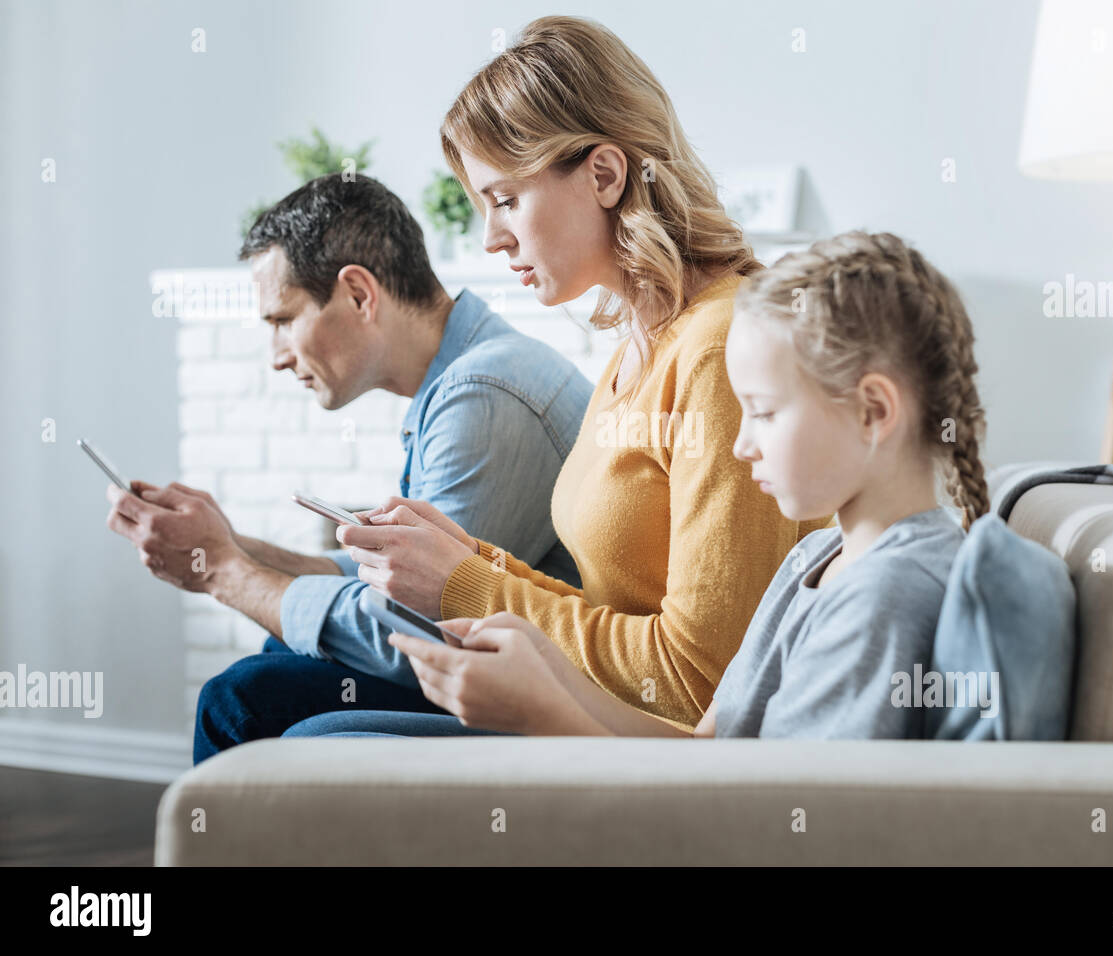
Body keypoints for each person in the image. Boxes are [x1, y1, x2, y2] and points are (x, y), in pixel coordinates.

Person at [286, 15, 835, 738]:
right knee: (275, 701)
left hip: (654, 750)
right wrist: (464, 557)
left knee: (304, 735)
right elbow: (616, 605)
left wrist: (465, 587)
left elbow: (698, 684)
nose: (491, 236)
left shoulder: (719, 347)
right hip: (599, 715)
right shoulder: (638, 346)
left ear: (604, 175)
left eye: (505, 199)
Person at [285, 230, 989, 740]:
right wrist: (544, 669)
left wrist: (545, 715)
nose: (741, 444)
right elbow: (705, 751)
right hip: (685, 804)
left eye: (765, 413)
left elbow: (772, 824)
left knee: (315, 745)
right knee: (318, 742)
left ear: (873, 411)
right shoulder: (816, 560)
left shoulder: (886, 597)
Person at [102, 173, 591, 763]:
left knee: (239, 698)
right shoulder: (462, 377)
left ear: (359, 294)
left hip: (553, 691)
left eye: (282, 320)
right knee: (276, 651)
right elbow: (393, 579)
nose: (278, 357)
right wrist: (230, 544)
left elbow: (413, 634)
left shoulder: (482, 393)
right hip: (501, 659)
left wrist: (223, 573)